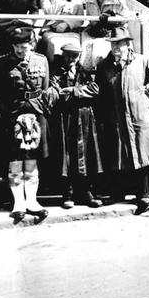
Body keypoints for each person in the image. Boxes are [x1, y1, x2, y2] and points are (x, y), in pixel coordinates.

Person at [95, 30, 149, 210]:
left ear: (128, 44)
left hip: (138, 115)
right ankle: (117, 193)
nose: (116, 47)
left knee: (142, 153)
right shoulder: (104, 66)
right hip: (115, 117)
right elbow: (100, 92)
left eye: (119, 43)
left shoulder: (141, 61)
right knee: (117, 156)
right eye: (113, 44)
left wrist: (148, 96)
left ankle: (143, 195)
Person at [0, 27, 52, 223]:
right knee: (15, 160)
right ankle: (18, 203)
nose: (21, 51)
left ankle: (32, 202)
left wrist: (39, 108)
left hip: (36, 112)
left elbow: (44, 87)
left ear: (31, 45)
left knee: (32, 159)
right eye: (17, 47)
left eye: (24, 47)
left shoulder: (41, 60)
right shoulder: (2, 63)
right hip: (13, 114)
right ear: (12, 46)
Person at [49, 39, 103, 209]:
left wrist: (74, 90)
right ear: (62, 55)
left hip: (84, 117)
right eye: (68, 56)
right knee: (67, 154)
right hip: (65, 118)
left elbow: (95, 89)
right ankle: (68, 193)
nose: (71, 59)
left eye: (74, 56)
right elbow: (57, 92)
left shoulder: (86, 71)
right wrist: (77, 92)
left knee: (85, 154)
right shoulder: (56, 71)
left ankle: (86, 191)